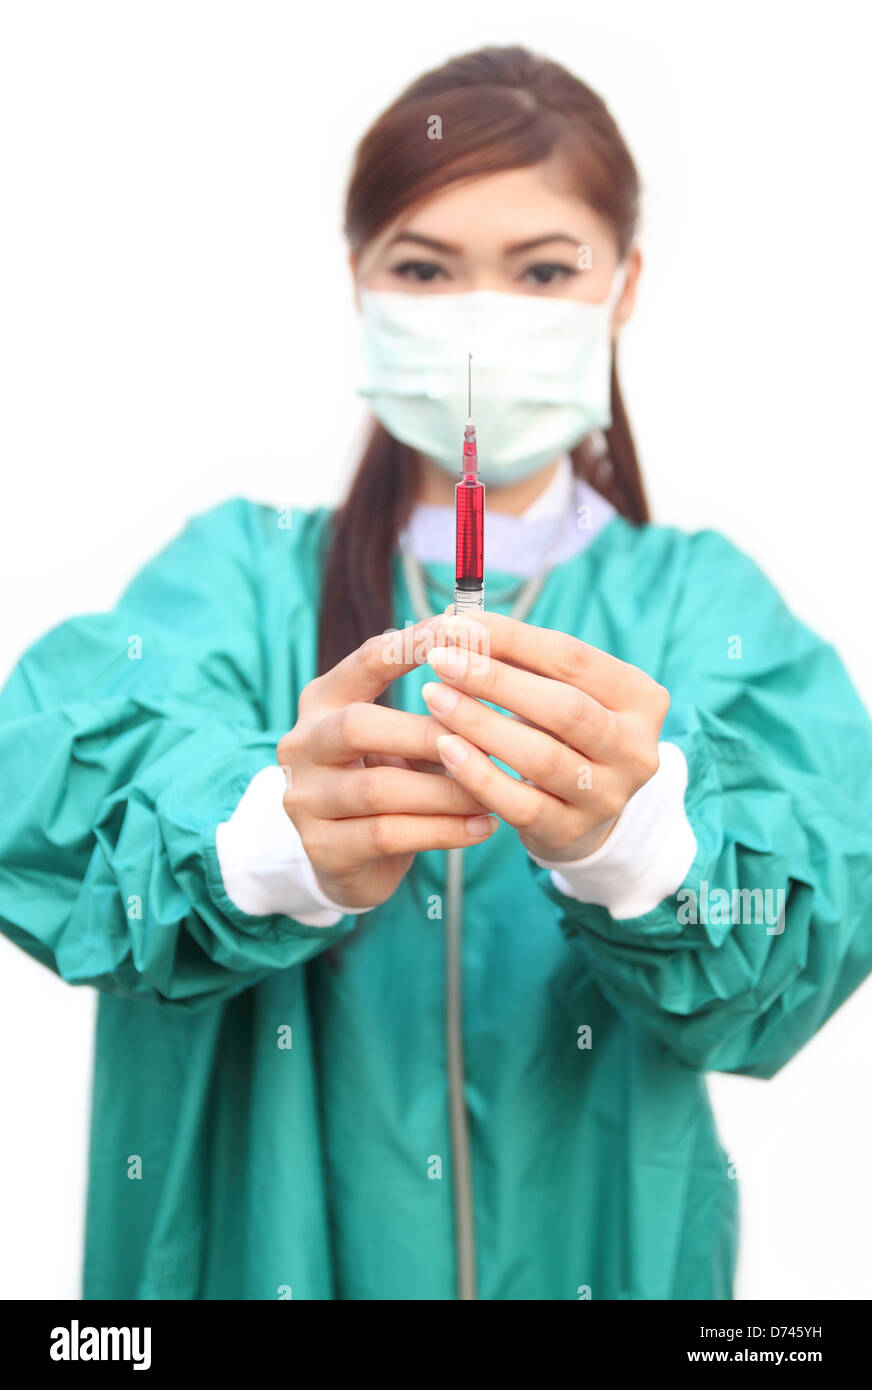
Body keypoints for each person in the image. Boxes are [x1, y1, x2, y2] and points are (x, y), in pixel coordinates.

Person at [2, 44, 871, 1302]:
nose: (478, 319)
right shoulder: (235, 578)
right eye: (423, 268)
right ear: (357, 283)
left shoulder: (698, 605)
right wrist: (260, 839)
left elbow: (814, 911)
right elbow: (45, 793)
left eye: (541, 270)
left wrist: (652, 848)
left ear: (623, 287)